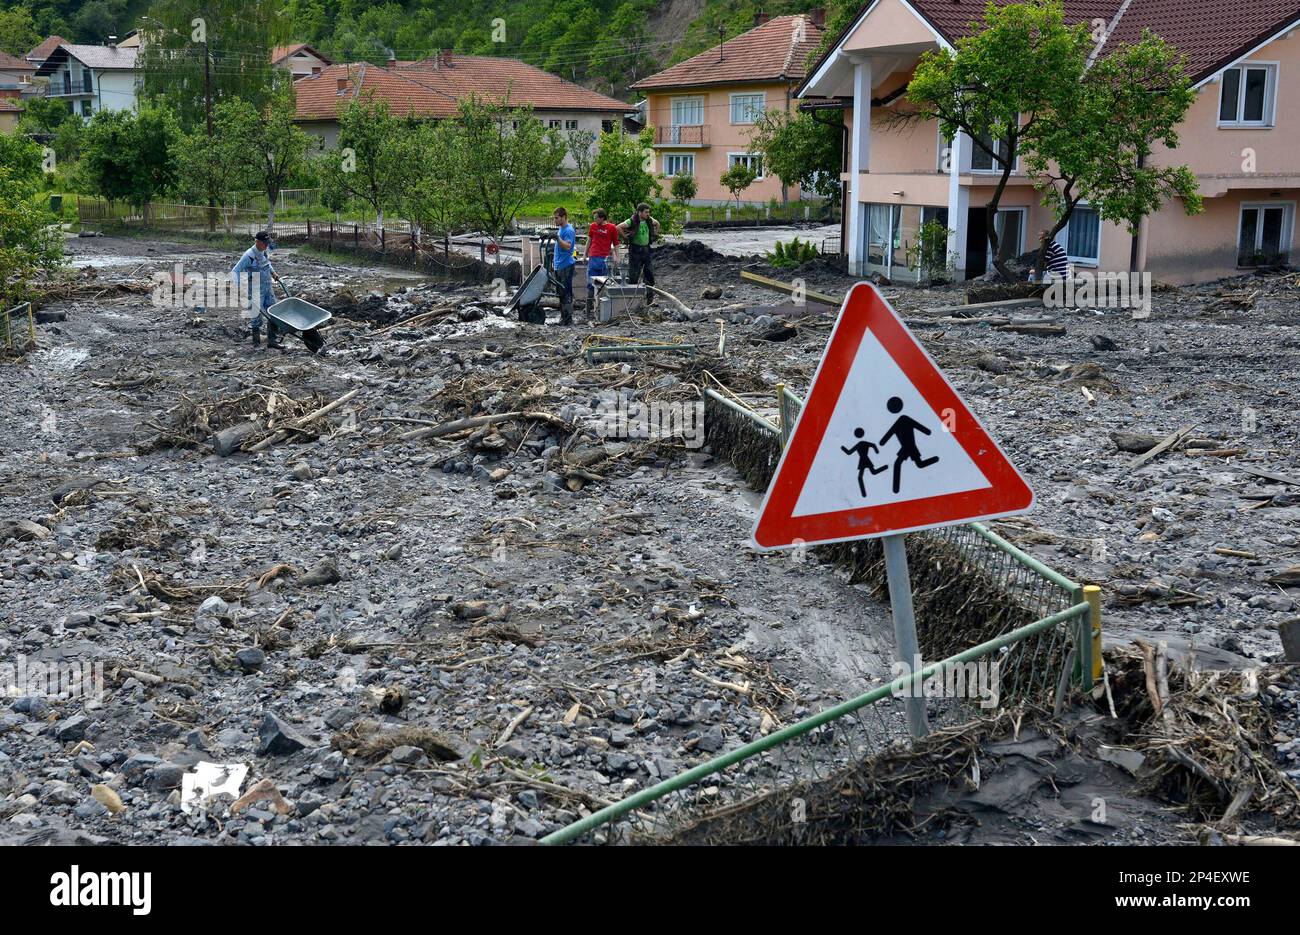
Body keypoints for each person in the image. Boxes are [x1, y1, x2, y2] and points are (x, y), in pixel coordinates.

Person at [879, 396, 939, 495]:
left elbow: (890, 433)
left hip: (908, 446)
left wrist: (883, 442)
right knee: (918, 464)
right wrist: (927, 432)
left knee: (898, 464)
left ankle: (895, 490)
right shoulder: (903, 419)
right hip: (909, 446)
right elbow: (890, 433)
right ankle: (935, 459)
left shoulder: (903, 419)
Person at [233, 231, 282, 348]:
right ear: (257, 242)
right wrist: (240, 287)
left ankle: (272, 341)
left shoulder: (263, 251)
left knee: (273, 311)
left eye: (267, 243)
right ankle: (256, 344)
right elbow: (236, 271)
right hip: (255, 287)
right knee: (256, 315)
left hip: (267, 286)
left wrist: (273, 273)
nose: (266, 246)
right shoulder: (248, 255)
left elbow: (267, 263)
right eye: (264, 243)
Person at [619, 203, 660, 307]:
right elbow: (618, 227)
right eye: (646, 212)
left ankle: (649, 301)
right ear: (639, 212)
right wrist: (625, 238)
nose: (648, 214)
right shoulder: (632, 221)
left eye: (648, 212)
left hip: (646, 250)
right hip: (635, 251)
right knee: (633, 276)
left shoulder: (649, 220)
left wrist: (655, 235)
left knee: (649, 275)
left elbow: (658, 223)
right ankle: (632, 302)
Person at [585, 208, 620, 318]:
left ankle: (600, 309)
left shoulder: (612, 228)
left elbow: (616, 243)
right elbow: (589, 240)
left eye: (596, 218)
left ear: (602, 218)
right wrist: (585, 254)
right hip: (593, 257)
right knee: (591, 284)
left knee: (604, 284)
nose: (594, 220)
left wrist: (617, 256)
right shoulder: (593, 226)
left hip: (605, 259)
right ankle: (588, 310)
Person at [841, 428, 888, 498]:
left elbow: (849, 452)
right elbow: (873, 445)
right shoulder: (864, 443)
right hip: (864, 459)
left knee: (861, 476)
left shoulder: (860, 444)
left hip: (863, 459)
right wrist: (876, 451)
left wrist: (843, 448)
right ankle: (885, 467)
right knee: (870, 473)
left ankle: (885, 467)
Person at [551, 207, 576, 325]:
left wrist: (557, 238)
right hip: (559, 265)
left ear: (563, 217)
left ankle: (567, 319)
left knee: (566, 293)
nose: (555, 220)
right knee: (561, 293)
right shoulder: (561, 228)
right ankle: (563, 318)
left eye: (556, 218)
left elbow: (567, 246)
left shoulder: (568, 230)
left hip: (566, 265)